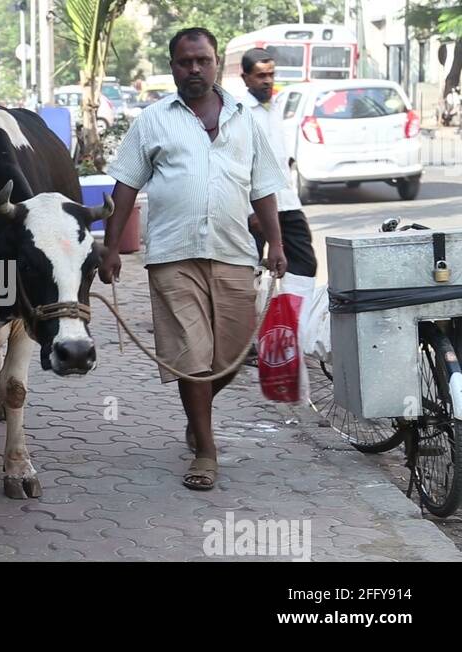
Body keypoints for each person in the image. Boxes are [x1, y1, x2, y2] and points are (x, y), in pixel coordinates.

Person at [99, 27, 288, 491]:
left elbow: (263, 188)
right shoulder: (153, 120)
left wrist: (278, 246)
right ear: (172, 67)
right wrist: (109, 247)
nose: (195, 69)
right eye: (185, 62)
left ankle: (196, 414)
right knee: (193, 357)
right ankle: (206, 449)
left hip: (234, 253)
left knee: (231, 354)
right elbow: (125, 185)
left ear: (217, 62)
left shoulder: (246, 119)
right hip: (172, 255)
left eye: (202, 60)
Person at [240, 48, 317, 278]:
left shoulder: (277, 107)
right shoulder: (240, 113)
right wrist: (250, 210)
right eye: (260, 75)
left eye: (271, 75)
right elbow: (241, 165)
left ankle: (292, 314)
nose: (267, 81)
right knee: (249, 268)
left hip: (287, 202)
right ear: (246, 78)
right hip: (256, 207)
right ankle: (254, 313)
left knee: (304, 265)